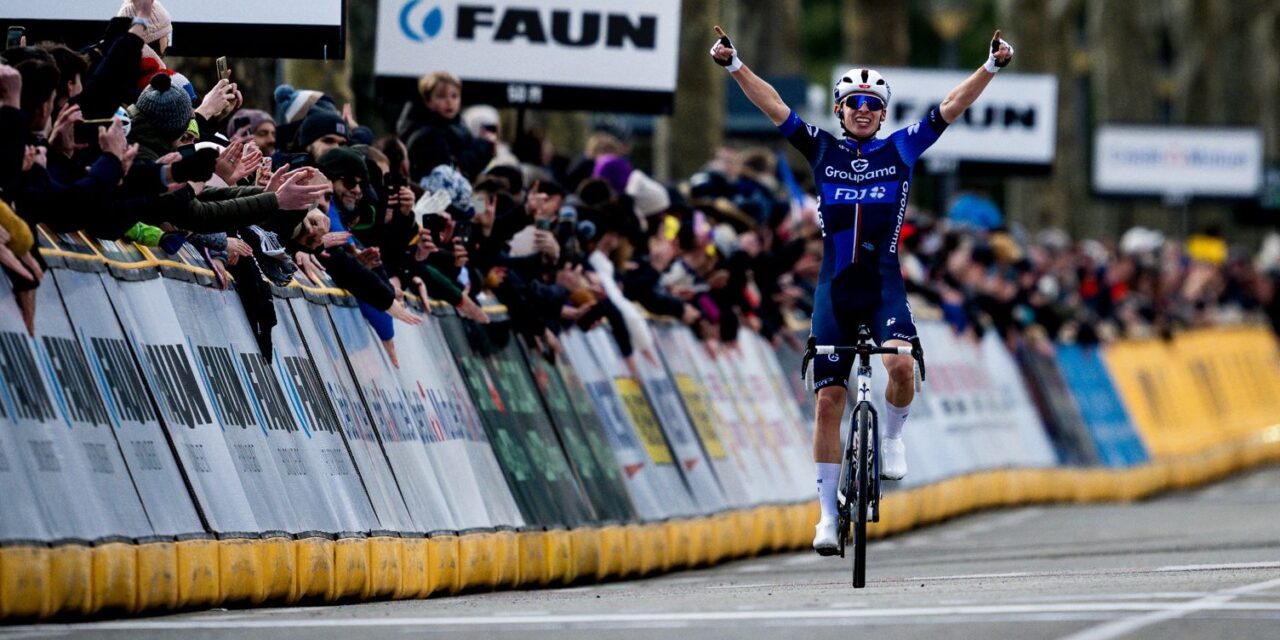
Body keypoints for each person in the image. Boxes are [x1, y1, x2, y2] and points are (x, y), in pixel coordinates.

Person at [711, 24, 1014, 555]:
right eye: (853, 102)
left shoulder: (902, 149)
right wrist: (736, 65)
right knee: (829, 399)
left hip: (883, 285)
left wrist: (989, 67)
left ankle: (892, 438)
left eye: (872, 103)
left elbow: (950, 104)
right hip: (834, 288)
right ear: (840, 108)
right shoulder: (821, 149)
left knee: (900, 364)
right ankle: (827, 516)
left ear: (882, 112)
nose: (862, 109)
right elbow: (774, 105)